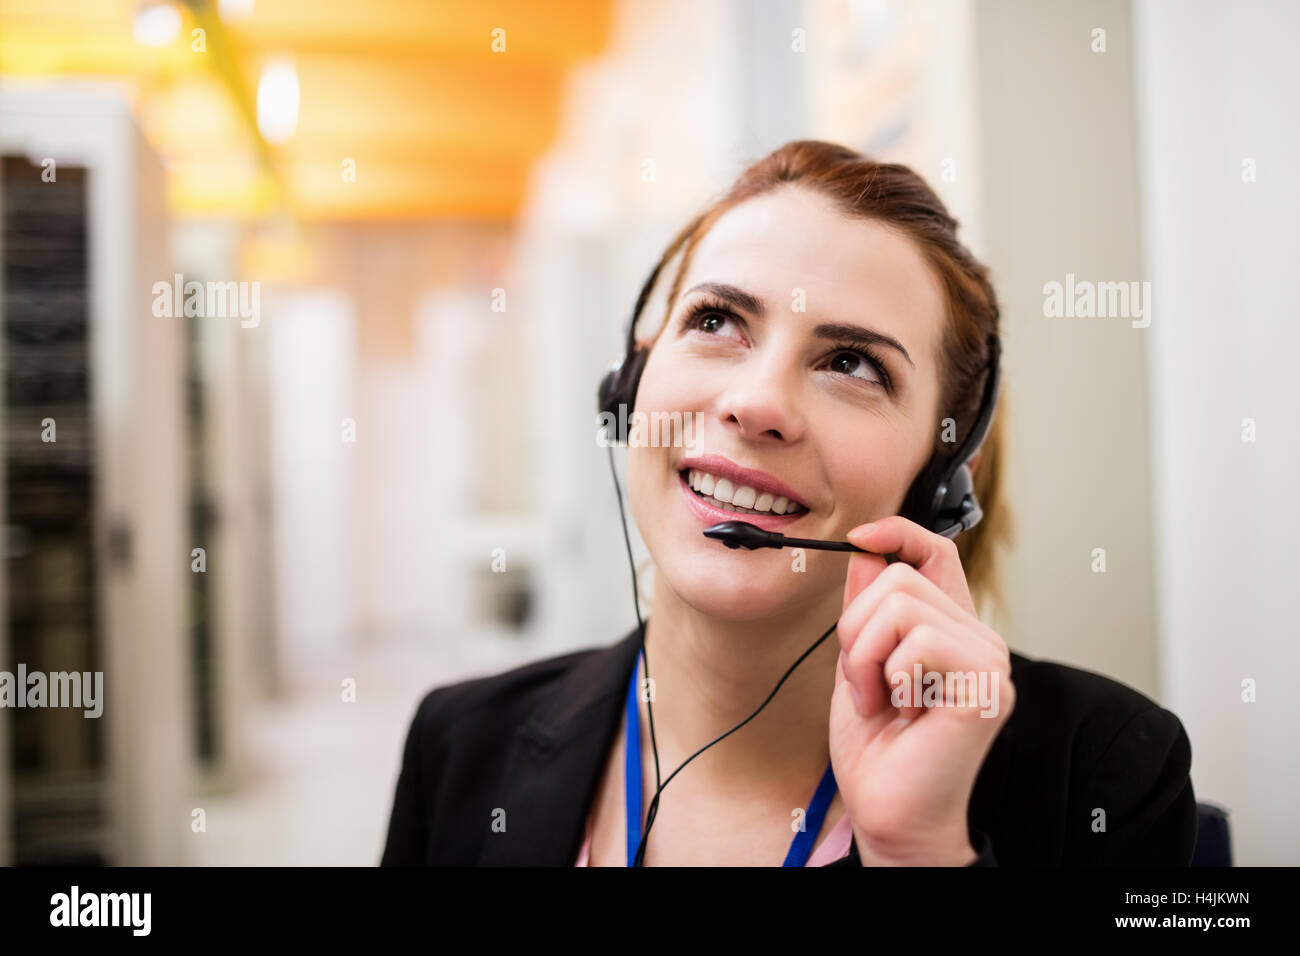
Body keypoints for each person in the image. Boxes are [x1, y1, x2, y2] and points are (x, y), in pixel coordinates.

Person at [379, 140, 1196, 867]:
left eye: (852, 364)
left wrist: (916, 854)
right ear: (631, 382)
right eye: (717, 319)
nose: (757, 403)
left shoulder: (1106, 768)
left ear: (943, 471)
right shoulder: (459, 747)